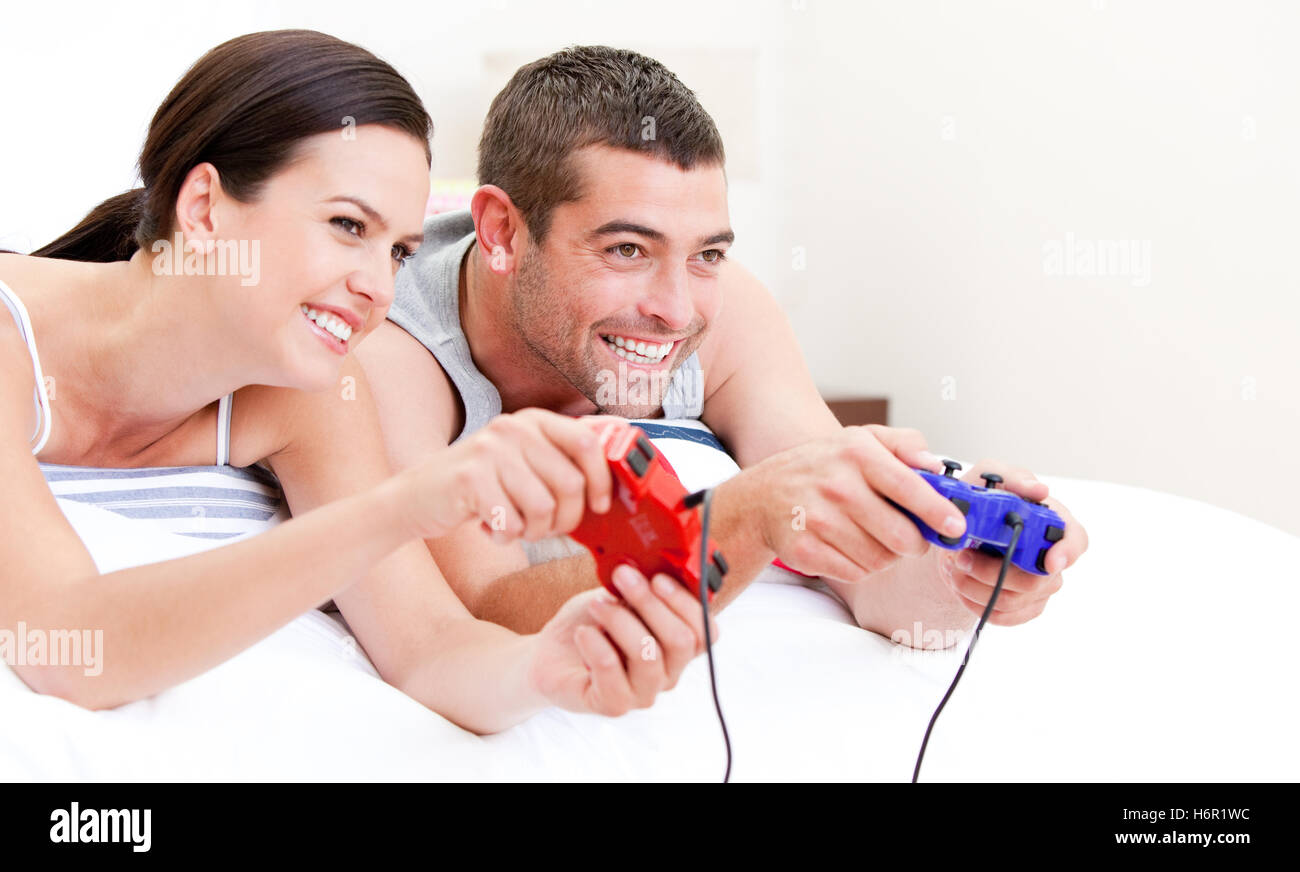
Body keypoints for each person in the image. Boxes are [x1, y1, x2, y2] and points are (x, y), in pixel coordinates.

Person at [0, 31, 713, 731]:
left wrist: (544, 671)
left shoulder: (305, 393)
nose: (377, 287)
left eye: (399, 251)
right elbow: (69, 650)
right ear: (205, 209)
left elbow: (430, 647)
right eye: (347, 225)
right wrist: (407, 505)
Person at [355, 46, 1089, 639]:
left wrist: (959, 577)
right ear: (502, 232)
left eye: (706, 253)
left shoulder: (728, 310)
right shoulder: (393, 351)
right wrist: (740, 514)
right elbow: (491, 610)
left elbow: (870, 585)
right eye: (627, 251)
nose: (676, 313)